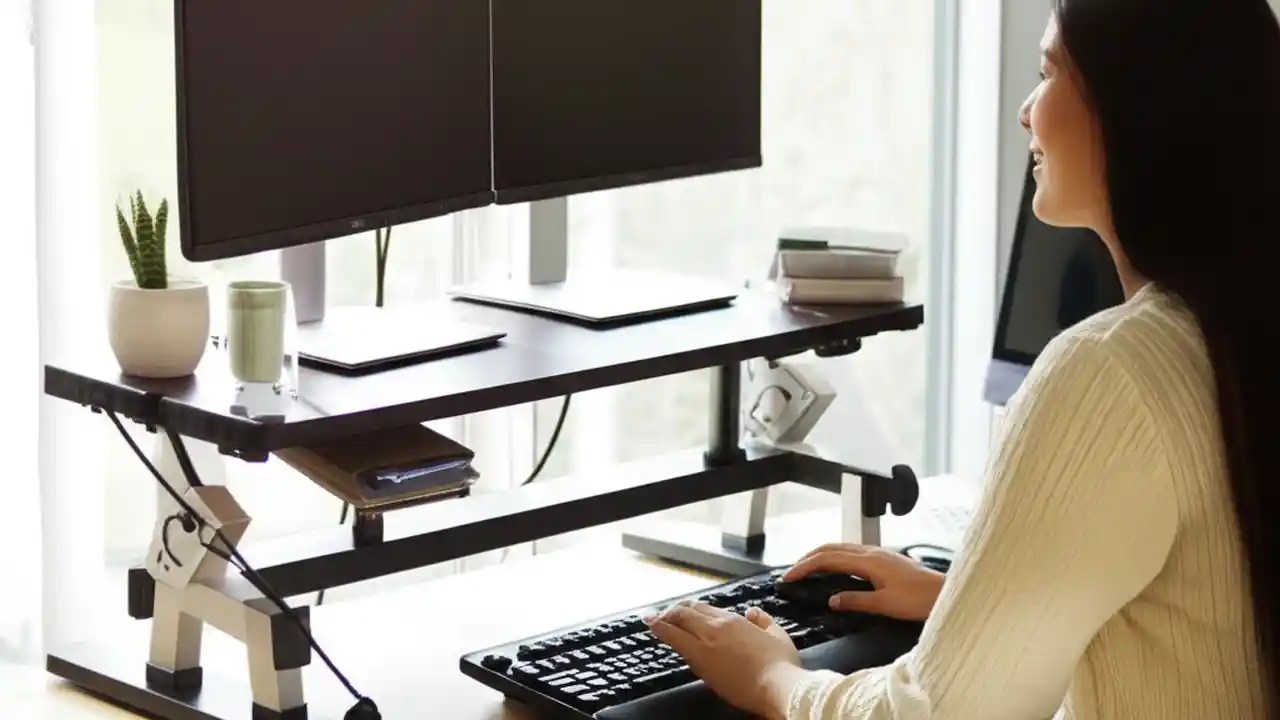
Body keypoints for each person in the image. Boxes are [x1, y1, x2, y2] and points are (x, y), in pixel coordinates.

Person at [643, 1, 1280, 718]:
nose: (1025, 111)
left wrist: (774, 680)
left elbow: (938, 714)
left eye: (1047, 72)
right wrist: (972, 599)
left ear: (1131, 107)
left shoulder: (1113, 372)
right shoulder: (1239, 330)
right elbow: (1212, 616)